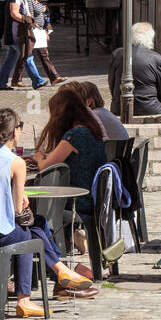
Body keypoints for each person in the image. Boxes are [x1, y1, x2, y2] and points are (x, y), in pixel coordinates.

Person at [0, 108, 97, 309]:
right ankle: (27, 297)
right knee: (29, 235)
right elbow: (19, 211)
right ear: (16, 131)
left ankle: (60, 272)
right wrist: (21, 197)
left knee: (38, 224)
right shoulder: (15, 162)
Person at [30, 87, 108, 220]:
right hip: (93, 195)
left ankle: (41, 235)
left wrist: (38, 157)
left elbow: (45, 167)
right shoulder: (91, 129)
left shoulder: (75, 135)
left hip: (78, 199)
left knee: (32, 196)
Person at [108, 22, 161, 117]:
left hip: (120, 107)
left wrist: (116, 100)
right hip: (150, 107)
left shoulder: (117, 54)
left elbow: (112, 82)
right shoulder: (157, 58)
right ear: (150, 38)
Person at [0, 0, 48, 91]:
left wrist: (32, 21)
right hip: (15, 34)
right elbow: (14, 13)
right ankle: (37, 81)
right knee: (27, 56)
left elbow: (27, 14)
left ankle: (1, 83)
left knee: (10, 59)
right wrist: (27, 20)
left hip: (18, 33)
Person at [29, 0, 66, 85]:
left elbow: (44, 17)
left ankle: (54, 77)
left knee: (42, 54)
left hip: (39, 31)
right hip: (34, 31)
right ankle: (54, 77)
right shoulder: (29, 2)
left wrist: (46, 31)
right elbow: (31, 16)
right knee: (23, 57)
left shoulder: (37, 2)